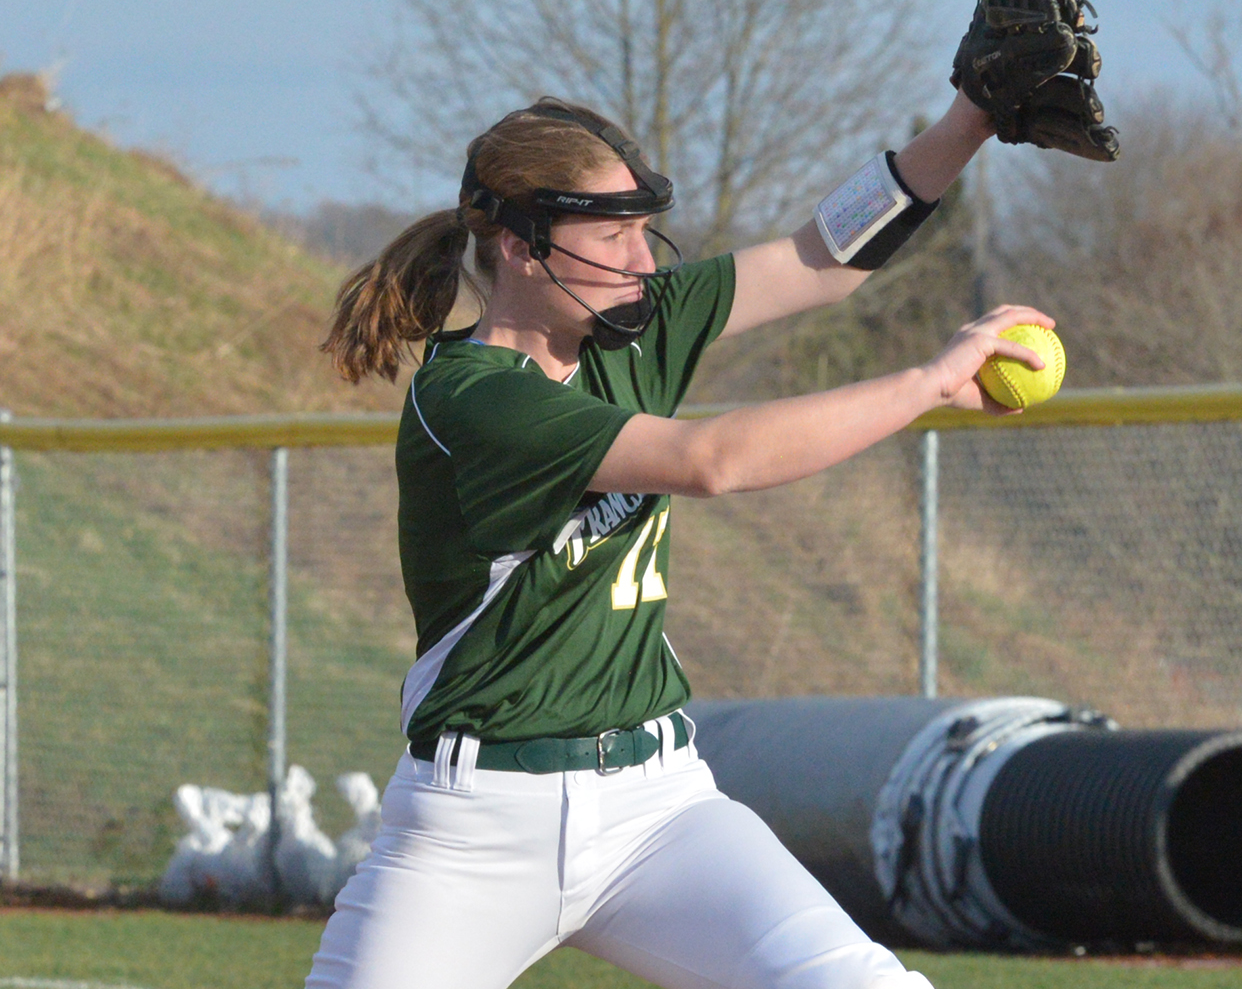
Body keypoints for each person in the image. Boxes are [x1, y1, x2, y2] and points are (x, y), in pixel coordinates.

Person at [308, 88, 1050, 989]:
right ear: (518, 245)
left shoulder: (627, 331)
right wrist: (930, 382)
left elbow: (830, 250)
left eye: (641, 227)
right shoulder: (473, 398)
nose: (638, 256)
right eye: (611, 231)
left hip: (657, 811)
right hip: (475, 826)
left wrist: (969, 118)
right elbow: (712, 459)